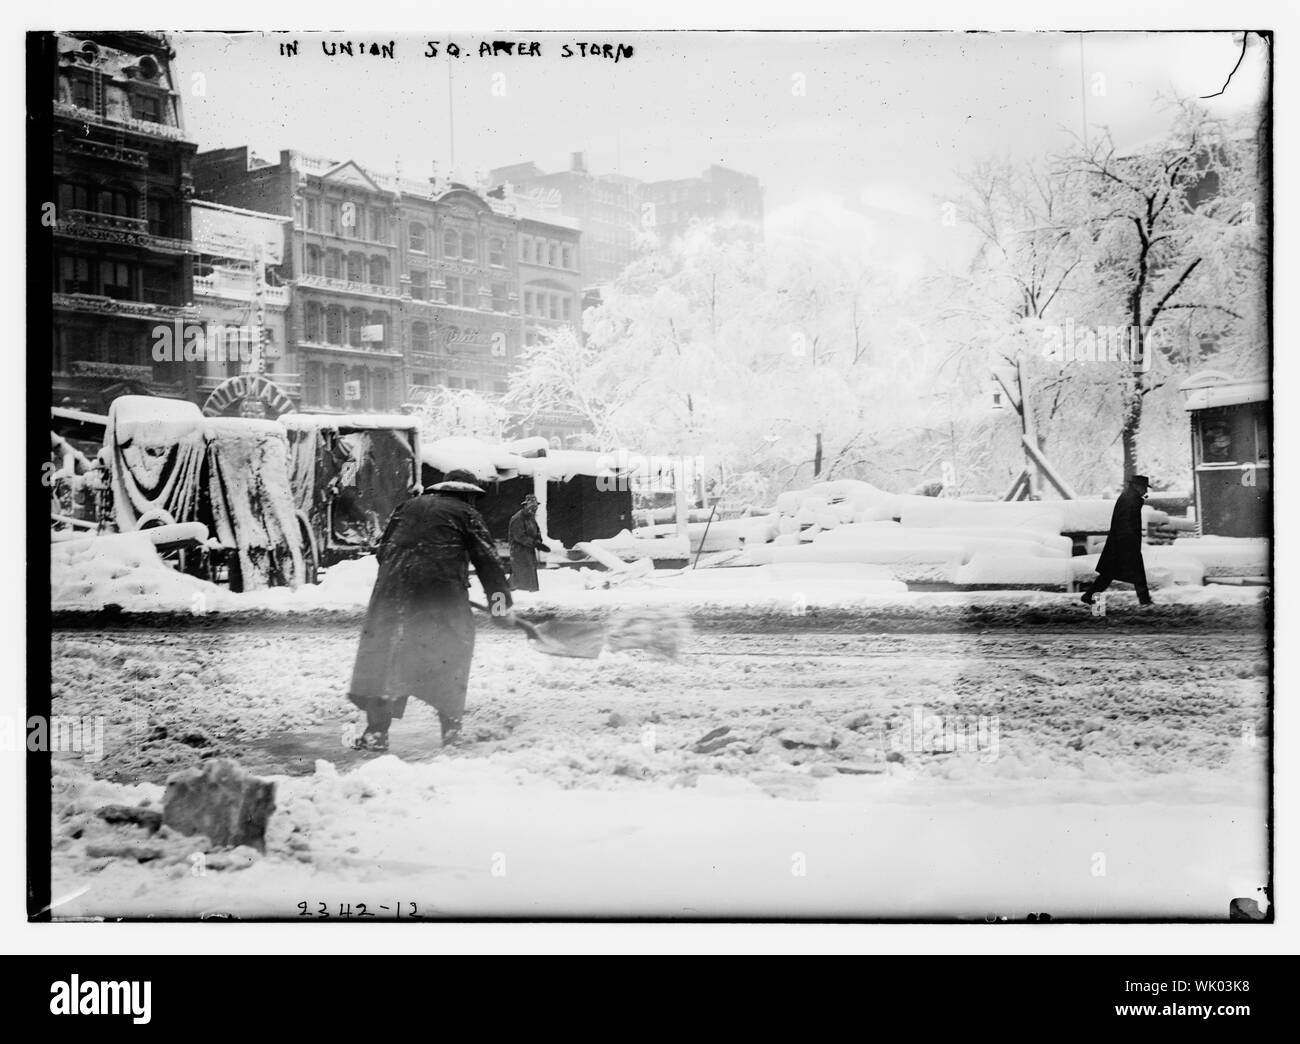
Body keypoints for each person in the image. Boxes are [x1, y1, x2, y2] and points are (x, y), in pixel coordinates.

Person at [348, 468, 514, 752]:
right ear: (465, 495)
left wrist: (410, 574)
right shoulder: (466, 514)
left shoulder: (406, 508)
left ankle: (376, 733)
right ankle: (450, 734)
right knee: (450, 656)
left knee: (387, 659)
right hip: (442, 599)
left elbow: (383, 552)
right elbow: (490, 565)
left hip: (391, 596)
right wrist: (500, 608)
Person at [1081, 474, 1153, 607]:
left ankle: (1089, 596)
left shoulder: (1129, 497)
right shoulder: (1131, 500)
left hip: (1120, 543)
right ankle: (1145, 601)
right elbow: (1126, 523)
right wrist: (1130, 543)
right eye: (1144, 488)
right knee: (1135, 573)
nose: (1146, 491)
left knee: (1108, 574)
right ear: (1137, 486)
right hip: (1125, 544)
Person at [507, 494, 550, 592]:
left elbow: (537, 530)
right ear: (525, 506)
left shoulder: (531, 517)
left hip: (529, 550)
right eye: (531, 507)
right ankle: (505, 589)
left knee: (530, 570)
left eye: (535, 507)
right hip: (518, 551)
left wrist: (538, 540)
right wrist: (534, 543)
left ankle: (532, 592)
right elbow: (519, 536)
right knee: (519, 572)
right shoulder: (517, 518)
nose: (533, 509)